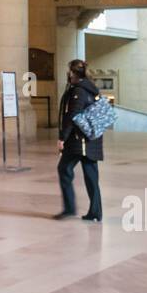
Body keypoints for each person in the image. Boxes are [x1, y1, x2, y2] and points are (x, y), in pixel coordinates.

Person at [56, 58, 103, 222]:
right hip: (92, 139)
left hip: (79, 141)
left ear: (74, 73)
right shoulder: (92, 89)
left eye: (69, 71)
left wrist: (62, 137)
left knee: (64, 169)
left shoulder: (79, 91)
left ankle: (69, 208)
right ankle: (95, 212)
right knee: (91, 176)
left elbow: (72, 116)